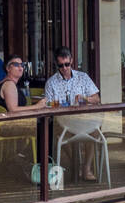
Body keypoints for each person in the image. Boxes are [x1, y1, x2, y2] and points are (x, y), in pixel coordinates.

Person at [43, 46, 102, 181]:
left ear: (71, 61)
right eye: (61, 65)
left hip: (83, 119)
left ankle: (86, 168)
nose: (64, 68)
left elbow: (97, 99)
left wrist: (85, 98)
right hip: (63, 121)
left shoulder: (83, 77)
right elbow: (47, 104)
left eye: (67, 64)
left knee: (94, 131)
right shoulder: (51, 82)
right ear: (56, 64)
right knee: (60, 134)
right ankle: (77, 165)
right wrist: (61, 104)